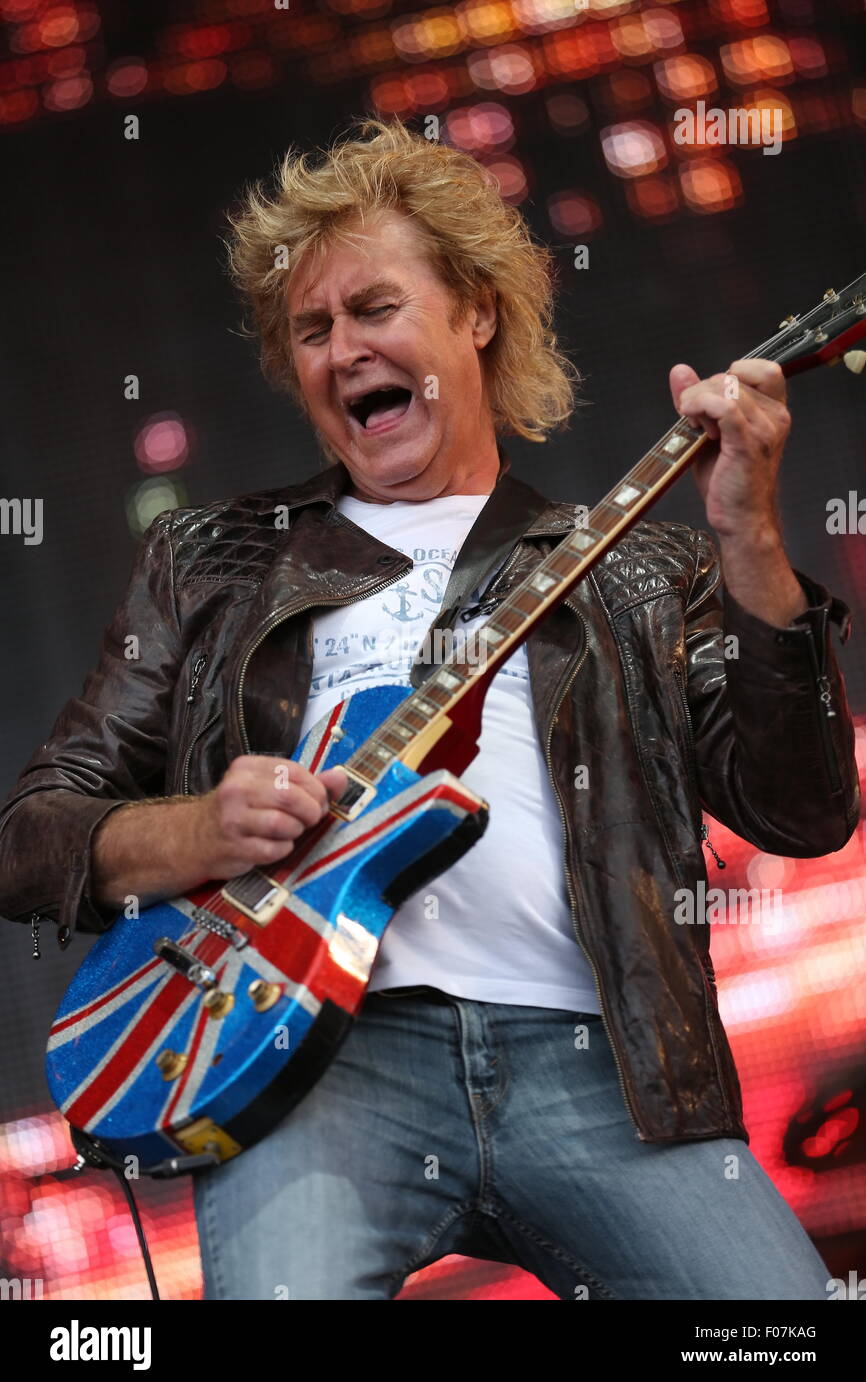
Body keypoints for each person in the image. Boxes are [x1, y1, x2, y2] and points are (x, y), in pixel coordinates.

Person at [0, 118, 859, 1301]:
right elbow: (31, 832)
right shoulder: (211, 562)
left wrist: (747, 536)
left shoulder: (637, 569)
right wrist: (196, 830)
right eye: (312, 329)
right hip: (314, 1064)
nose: (343, 348)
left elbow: (802, 811)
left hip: (600, 1064)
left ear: (477, 314)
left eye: (375, 308)